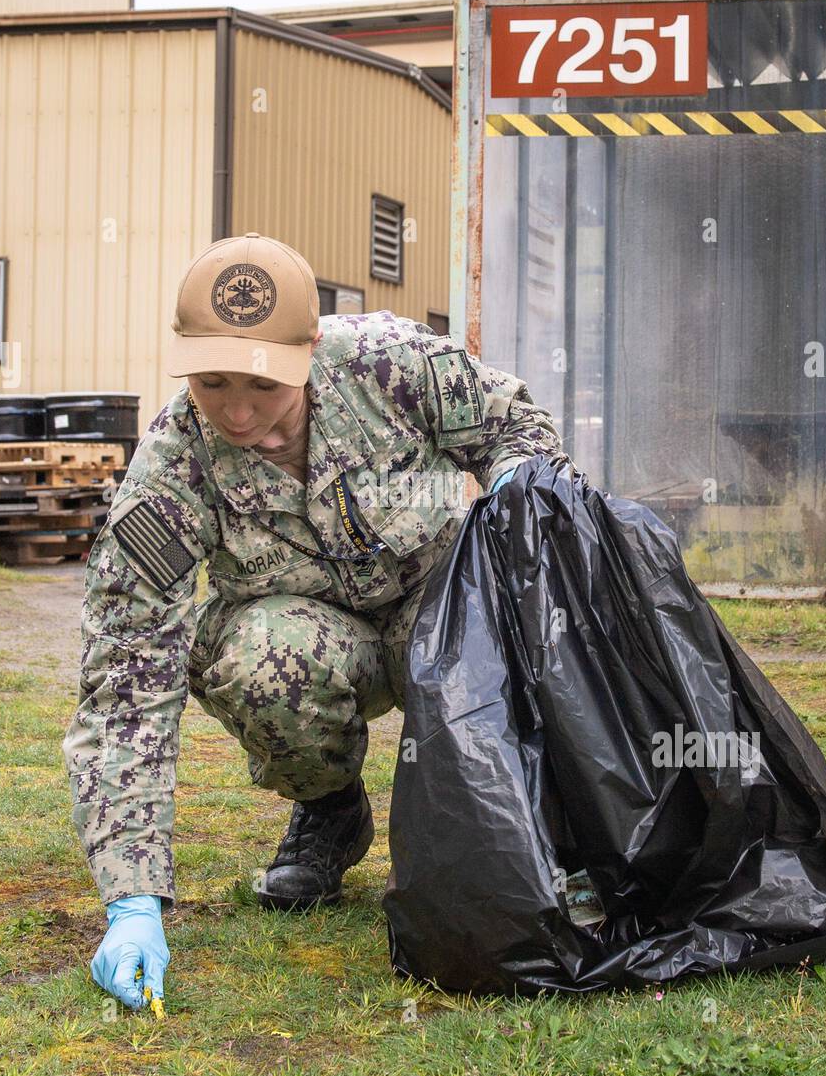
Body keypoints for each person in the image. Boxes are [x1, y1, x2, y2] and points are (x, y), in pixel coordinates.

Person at [64, 232, 569, 1011]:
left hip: (445, 616)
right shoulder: (170, 472)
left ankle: (527, 812)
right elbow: (126, 683)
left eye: (263, 385)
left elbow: (517, 428)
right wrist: (132, 901)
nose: (236, 411)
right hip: (315, 648)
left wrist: (515, 495)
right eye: (211, 381)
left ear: (308, 351)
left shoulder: (388, 363)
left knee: (508, 634)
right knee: (254, 657)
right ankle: (330, 811)